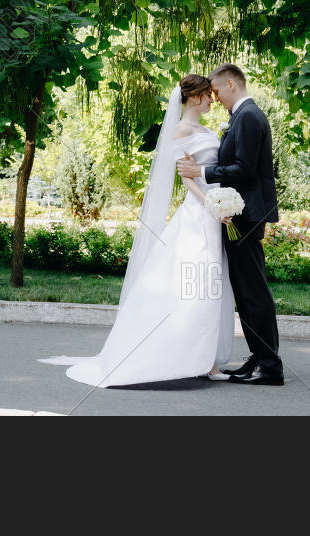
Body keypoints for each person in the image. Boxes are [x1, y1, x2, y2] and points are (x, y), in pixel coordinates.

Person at [39, 73, 234, 388]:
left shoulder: (204, 129)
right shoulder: (181, 131)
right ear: (195, 97)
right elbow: (187, 179)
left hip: (213, 212)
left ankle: (207, 360)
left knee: (210, 284)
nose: (213, 100)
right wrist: (212, 204)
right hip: (200, 214)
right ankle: (198, 360)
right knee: (199, 283)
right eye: (208, 95)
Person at [175, 62, 283, 386]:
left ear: (232, 85)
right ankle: (259, 357)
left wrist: (203, 174)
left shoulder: (248, 116)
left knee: (253, 293)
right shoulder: (242, 117)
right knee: (247, 292)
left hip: (246, 216)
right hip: (239, 214)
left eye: (218, 91)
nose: (216, 98)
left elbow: (246, 170)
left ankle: (270, 366)